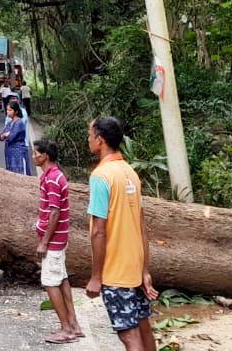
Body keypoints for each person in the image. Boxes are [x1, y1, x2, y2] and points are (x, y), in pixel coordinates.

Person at [85, 116, 158, 351]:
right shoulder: (130, 173)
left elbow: (98, 231)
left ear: (100, 139)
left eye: (90, 134)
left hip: (115, 271)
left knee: (129, 335)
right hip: (135, 267)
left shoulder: (101, 177)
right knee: (143, 326)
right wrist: (144, 270)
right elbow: (142, 228)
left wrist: (96, 277)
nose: (89, 139)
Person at [34, 139, 82, 344]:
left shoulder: (53, 179)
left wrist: (44, 241)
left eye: (36, 153)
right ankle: (74, 324)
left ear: (45, 156)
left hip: (53, 242)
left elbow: (55, 213)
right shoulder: (53, 176)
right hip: (59, 240)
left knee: (50, 282)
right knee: (61, 279)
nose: (34, 156)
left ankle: (66, 329)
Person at [0, 102, 29, 174]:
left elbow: (11, 137)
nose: (8, 112)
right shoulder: (10, 123)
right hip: (9, 151)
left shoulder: (19, 123)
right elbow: (0, 136)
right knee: (11, 173)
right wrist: (4, 135)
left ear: (16, 111)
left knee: (18, 173)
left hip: (17, 152)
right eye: (7, 110)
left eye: (10, 110)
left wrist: (5, 135)